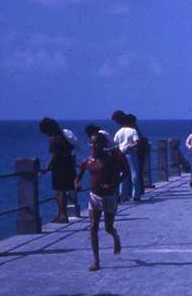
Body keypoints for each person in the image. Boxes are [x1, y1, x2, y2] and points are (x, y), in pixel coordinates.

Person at [75, 133, 127, 271]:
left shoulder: (111, 160)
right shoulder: (87, 162)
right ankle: (96, 260)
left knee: (108, 227)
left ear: (103, 145)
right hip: (94, 197)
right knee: (93, 227)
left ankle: (115, 236)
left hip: (110, 196)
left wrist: (113, 185)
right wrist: (77, 184)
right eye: (91, 143)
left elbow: (125, 173)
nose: (93, 146)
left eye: (97, 143)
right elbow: (78, 177)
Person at [39, 117, 77, 223]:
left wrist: (46, 167)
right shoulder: (64, 136)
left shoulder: (53, 138)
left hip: (59, 166)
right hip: (68, 164)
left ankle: (62, 214)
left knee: (59, 191)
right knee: (64, 190)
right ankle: (62, 214)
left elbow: (54, 155)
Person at [112, 111, 142, 202]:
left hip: (120, 153)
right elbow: (137, 142)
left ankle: (122, 195)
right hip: (130, 152)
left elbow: (115, 142)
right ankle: (136, 194)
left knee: (123, 173)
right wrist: (129, 146)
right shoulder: (133, 130)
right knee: (134, 173)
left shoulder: (119, 132)